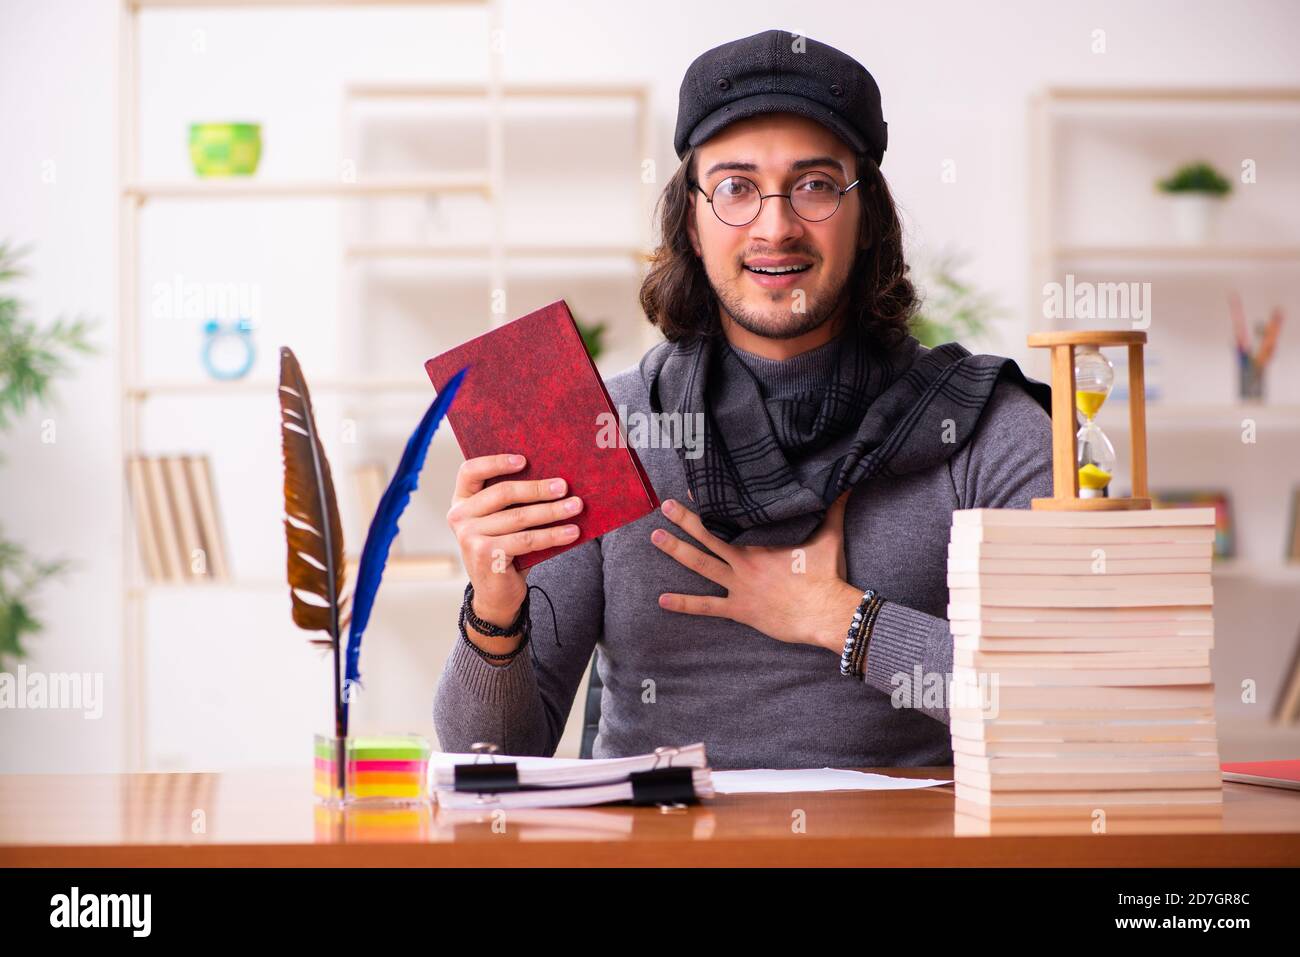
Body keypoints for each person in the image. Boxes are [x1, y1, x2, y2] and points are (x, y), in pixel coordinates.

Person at [434, 29, 1053, 769]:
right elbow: (493, 754)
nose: (775, 224)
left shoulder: (986, 427)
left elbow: (1073, 699)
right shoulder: (602, 428)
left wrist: (844, 620)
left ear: (869, 219)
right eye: (735, 187)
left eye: (816, 184)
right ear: (690, 220)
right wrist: (493, 609)